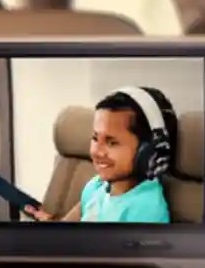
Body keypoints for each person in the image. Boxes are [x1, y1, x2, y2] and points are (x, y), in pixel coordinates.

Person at [24, 86, 175, 223]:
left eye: (112, 142)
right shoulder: (96, 186)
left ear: (148, 151)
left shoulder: (145, 210)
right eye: (96, 138)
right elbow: (66, 232)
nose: (97, 151)